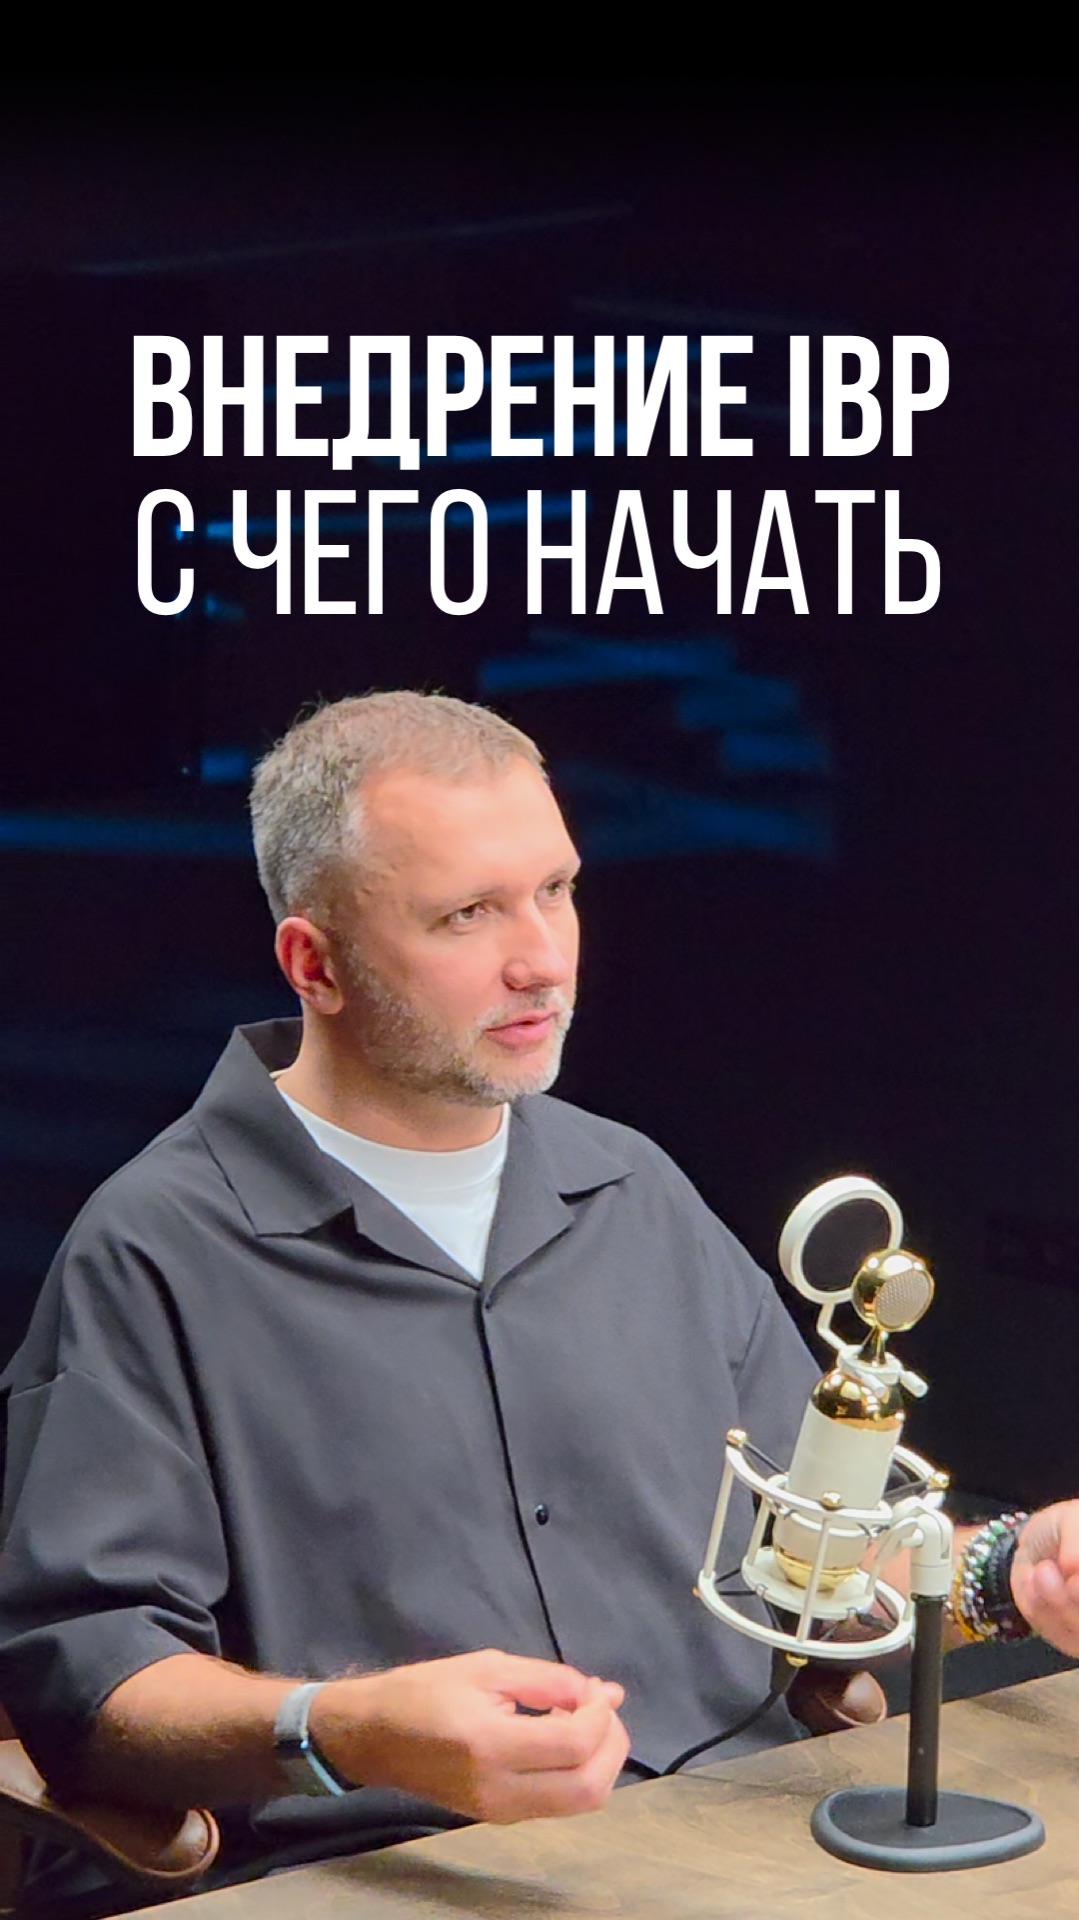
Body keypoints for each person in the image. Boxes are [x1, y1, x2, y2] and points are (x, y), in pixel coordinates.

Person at [1, 691, 1078, 1900]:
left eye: (554, 890)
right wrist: (349, 1730)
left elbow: (805, 1554)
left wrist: (1007, 1570)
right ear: (314, 964)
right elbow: (87, 1685)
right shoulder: (155, 1251)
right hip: (379, 1873)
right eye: (465, 914)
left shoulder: (631, 1188)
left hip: (734, 1842)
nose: (541, 960)